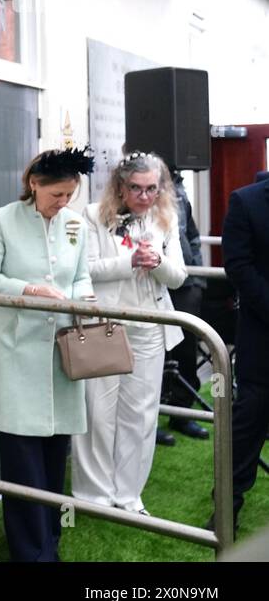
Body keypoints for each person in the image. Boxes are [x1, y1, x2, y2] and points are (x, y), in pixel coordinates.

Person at [0, 146, 95, 561]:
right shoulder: (2, 219)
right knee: (23, 466)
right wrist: (30, 291)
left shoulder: (76, 224)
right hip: (18, 357)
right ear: (33, 184)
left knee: (54, 460)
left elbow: (83, 281)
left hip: (63, 358)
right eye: (56, 195)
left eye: (69, 195)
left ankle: (51, 543)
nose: (63, 204)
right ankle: (30, 551)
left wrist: (70, 298)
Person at [73, 152, 186, 516]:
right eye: (136, 188)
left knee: (141, 414)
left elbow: (179, 276)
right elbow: (84, 269)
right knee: (97, 413)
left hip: (150, 325)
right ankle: (93, 495)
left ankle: (129, 495)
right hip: (104, 322)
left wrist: (159, 263)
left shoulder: (166, 218)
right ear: (121, 187)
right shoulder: (92, 215)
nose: (144, 196)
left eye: (152, 188)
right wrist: (129, 262)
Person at [210, 171, 269, 532]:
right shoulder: (246, 201)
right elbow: (238, 267)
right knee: (248, 425)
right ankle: (227, 507)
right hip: (262, 341)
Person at [161, 162, 209, 440]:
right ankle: (152, 418)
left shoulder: (179, 187)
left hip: (186, 284)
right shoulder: (139, 189)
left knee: (186, 352)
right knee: (154, 355)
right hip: (154, 282)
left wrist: (198, 280)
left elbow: (191, 234)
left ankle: (182, 412)